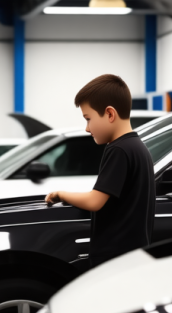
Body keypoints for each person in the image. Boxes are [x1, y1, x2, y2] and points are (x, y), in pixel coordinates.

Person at [44, 74, 155, 267]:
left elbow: (95, 201)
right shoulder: (138, 147)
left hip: (114, 257)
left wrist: (61, 194)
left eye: (88, 119)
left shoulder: (118, 149)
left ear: (110, 114)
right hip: (134, 255)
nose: (87, 128)